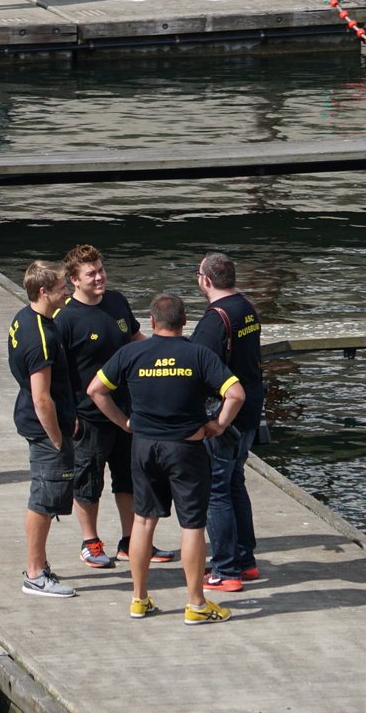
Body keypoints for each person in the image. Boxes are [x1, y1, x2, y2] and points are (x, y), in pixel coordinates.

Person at [90, 292, 246, 626]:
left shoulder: (131, 352)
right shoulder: (199, 354)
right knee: (192, 525)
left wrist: (123, 422)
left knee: (144, 521)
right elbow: (236, 394)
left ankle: (139, 598)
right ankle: (196, 604)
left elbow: (96, 390)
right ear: (184, 321)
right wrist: (218, 425)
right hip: (186, 448)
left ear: (152, 322)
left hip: (144, 446)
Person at [52, 244, 151, 573]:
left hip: (127, 410)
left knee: (129, 479)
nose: (99, 277)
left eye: (101, 270)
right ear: (74, 281)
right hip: (89, 417)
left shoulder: (117, 301)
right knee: (88, 481)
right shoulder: (65, 320)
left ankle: (130, 541)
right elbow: (59, 375)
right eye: (91, 274)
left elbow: (136, 339)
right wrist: (71, 416)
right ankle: (90, 541)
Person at [192, 252, 264, 593]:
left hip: (225, 415)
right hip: (250, 410)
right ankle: (245, 560)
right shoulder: (247, 308)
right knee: (236, 482)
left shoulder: (214, 319)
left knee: (216, 490)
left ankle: (225, 569)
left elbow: (197, 368)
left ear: (206, 281)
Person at [9, 260, 78, 599]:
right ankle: (35, 574)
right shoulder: (42, 338)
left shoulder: (24, 318)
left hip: (33, 418)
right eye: (63, 287)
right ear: (43, 291)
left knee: (45, 493)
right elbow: (41, 398)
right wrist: (56, 438)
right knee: (44, 496)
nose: (68, 291)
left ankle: (39, 565)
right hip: (43, 428)